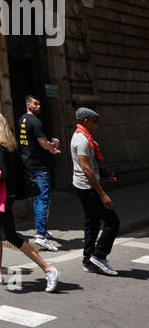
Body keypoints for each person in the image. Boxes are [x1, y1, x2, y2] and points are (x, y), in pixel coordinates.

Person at [0, 112, 59, 293]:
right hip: (10, 195)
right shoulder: (10, 145)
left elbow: (4, 174)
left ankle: (48, 269)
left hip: (3, 196)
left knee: (11, 236)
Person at [71, 106, 120, 275]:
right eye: (95, 121)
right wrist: (102, 194)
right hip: (87, 188)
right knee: (113, 222)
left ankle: (88, 261)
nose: (97, 125)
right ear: (85, 121)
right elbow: (86, 168)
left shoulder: (84, 137)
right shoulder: (82, 140)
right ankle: (98, 255)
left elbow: (91, 165)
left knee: (92, 223)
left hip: (84, 186)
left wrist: (105, 174)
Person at [18, 94, 61, 252]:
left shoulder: (22, 119)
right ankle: (41, 236)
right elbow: (43, 143)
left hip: (27, 163)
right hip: (38, 165)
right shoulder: (36, 122)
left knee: (37, 198)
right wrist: (53, 146)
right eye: (35, 104)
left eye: (39, 104)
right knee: (43, 199)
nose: (39, 106)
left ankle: (40, 229)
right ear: (28, 104)